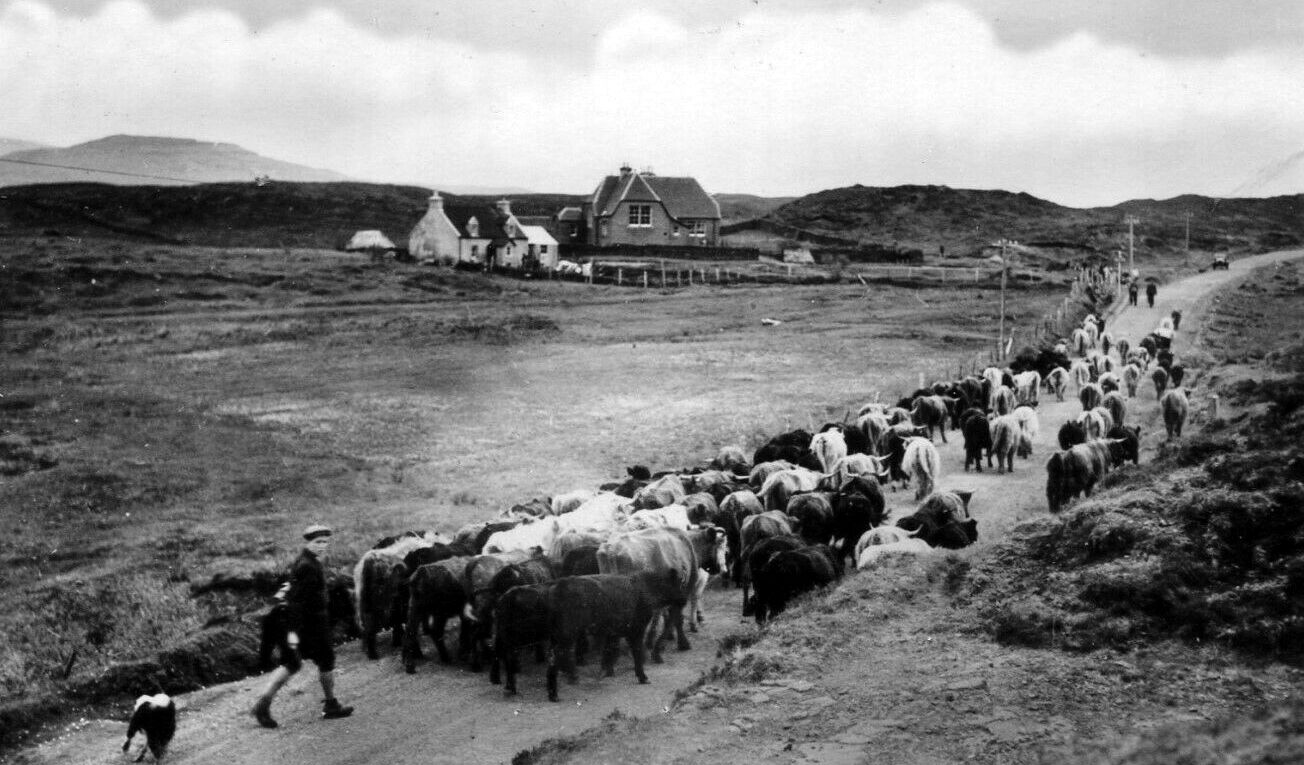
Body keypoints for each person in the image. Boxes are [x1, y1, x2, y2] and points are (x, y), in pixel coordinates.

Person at [252, 524, 353, 728]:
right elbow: (297, 602)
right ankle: (330, 705)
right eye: (318, 542)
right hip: (311, 625)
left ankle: (263, 703)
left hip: (311, 623)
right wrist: (292, 633)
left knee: (295, 664)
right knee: (322, 661)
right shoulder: (307, 565)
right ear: (309, 542)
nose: (322, 546)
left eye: (325, 542)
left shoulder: (307, 561)